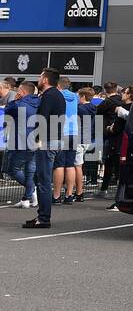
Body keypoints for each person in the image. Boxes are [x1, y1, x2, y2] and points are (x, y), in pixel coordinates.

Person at [26, 68, 67, 229]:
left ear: (45, 80)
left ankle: (43, 218)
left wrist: (37, 138)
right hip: (54, 139)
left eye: (39, 76)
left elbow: (41, 118)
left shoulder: (49, 96)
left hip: (47, 141)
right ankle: (41, 215)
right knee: (40, 178)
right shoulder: (58, 95)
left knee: (43, 180)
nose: (38, 78)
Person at [5, 81, 39, 208]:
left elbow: (8, 109)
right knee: (30, 171)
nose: (17, 93)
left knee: (12, 169)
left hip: (21, 141)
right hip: (35, 140)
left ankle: (32, 190)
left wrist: (14, 100)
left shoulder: (19, 104)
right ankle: (27, 197)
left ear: (23, 92)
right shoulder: (39, 102)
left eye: (19, 91)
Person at [52, 76, 79, 205]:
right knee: (70, 165)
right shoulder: (75, 96)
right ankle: (69, 195)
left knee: (58, 165)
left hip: (61, 132)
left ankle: (56, 195)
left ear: (58, 85)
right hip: (74, 132)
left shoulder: (57, 95)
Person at [95, 82, 125, 197]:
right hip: (121, 135)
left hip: (109, 134)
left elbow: (96, 111)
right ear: (116, 89)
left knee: (108, 162)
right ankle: (119, 190)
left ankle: (104, 189)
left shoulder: (107, 102)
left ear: (105, 90)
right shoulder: (122, 102)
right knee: (118, 164)